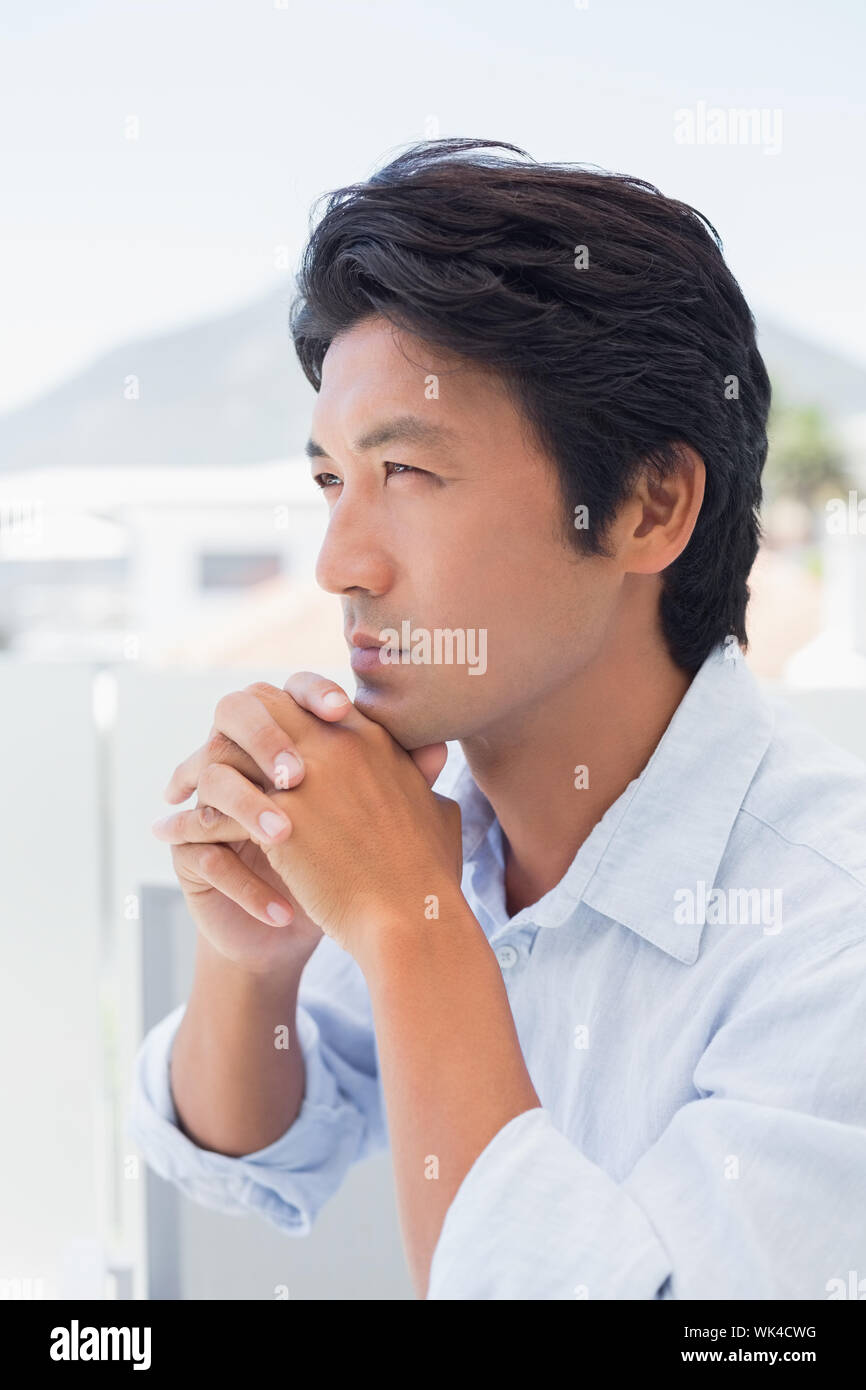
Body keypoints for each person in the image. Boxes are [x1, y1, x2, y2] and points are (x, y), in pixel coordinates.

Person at [128, 138, 866, 1300]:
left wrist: (412, 924)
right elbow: (249, 1152)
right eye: (330, 481)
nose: (338, 563)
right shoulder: (449, 824)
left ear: (645, 503)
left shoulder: (831, 935)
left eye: (408, 475)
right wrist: (255, 960)